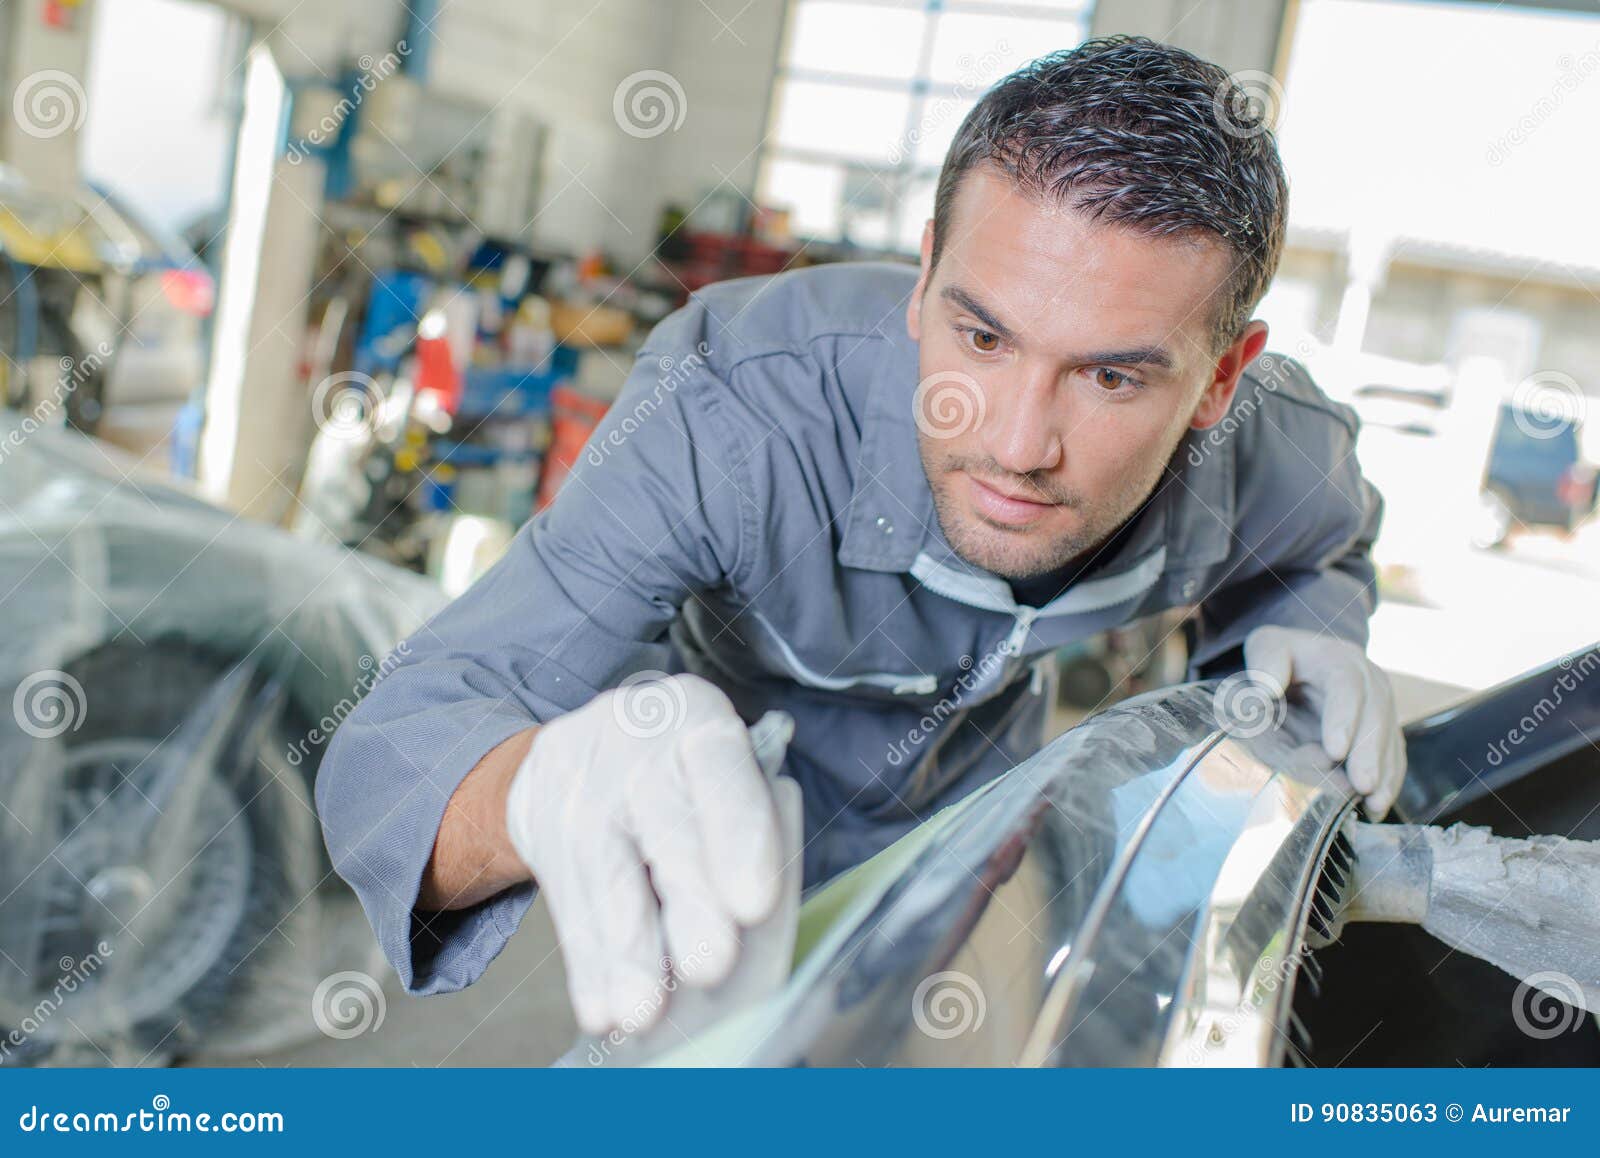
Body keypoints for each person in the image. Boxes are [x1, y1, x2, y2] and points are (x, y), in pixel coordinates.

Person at [318, 36, 1404, 1038]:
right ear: (924, 275)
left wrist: (1312, 623)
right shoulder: (734, 412)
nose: (1020, 445)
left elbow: (1321, 548)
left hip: (983, 830)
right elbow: (382, 774)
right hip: (730, 824)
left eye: (1111, 375)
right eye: (981, 335)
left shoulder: (1270, 452)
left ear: (1220, 375)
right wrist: (530, 789)